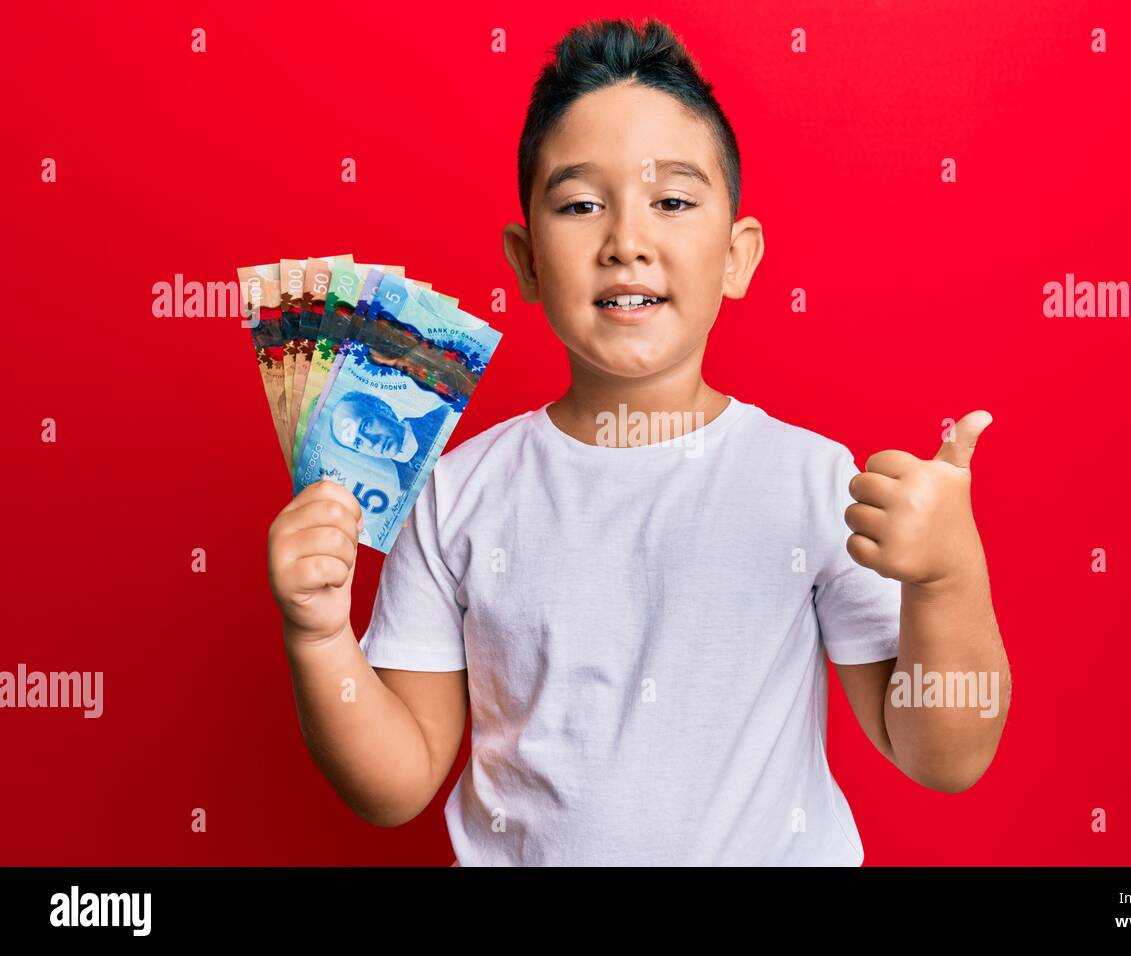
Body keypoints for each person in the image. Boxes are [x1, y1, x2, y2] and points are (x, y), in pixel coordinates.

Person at [268, 17, 1010, 866]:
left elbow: (944, 755)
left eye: (673, 202)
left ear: (738, 258)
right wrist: (319, 636)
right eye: (582, 205)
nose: (626, 242)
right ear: (527, 262)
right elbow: (395, 785)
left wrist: (950, 578)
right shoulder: (454, 493)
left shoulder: (814, 481)